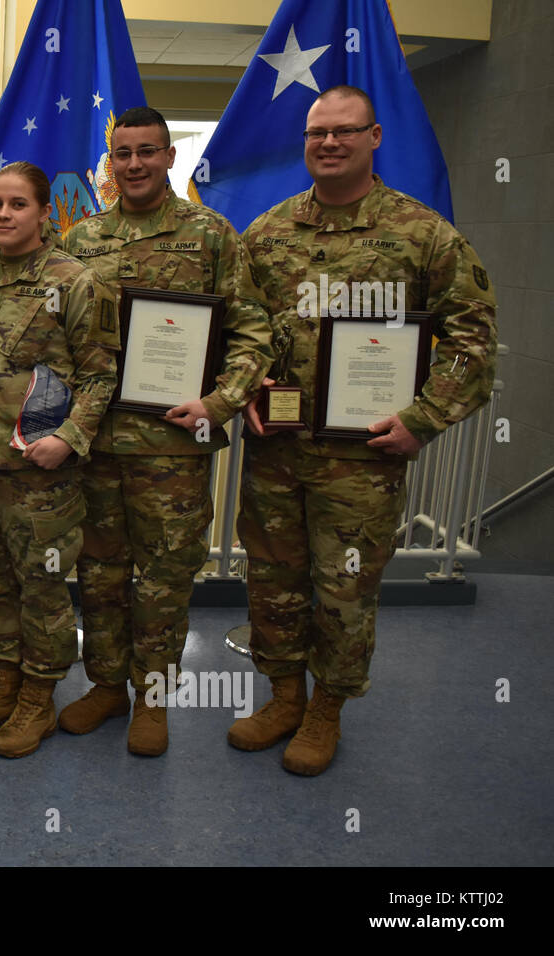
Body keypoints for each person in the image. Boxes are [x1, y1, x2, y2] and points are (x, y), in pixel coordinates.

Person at [232, 85, 496, 775]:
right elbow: (243, 329)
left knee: (345, 590)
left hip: (364, 459)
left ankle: (327, 710)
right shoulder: (268, 232)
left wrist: (423, 418)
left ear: (374, 137)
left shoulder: (423, 235)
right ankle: (284, 696)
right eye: (318, 133)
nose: (328, 144)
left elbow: (472, 336)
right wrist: (247, 385)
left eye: (344, 132)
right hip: (277, 452)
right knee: (273, 580)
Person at [62, 106, 275, 756]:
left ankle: (151, 698)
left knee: (162, 578)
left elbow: (252, 330)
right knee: (98, 575)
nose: (134, 164)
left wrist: (221, 400)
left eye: (147, 152)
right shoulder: (81, 241)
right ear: (110, 161)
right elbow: (56, 338)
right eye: (122, 153)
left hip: (173, 451)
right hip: (96, 447)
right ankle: (105, 687)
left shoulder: (211, 236)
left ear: (169, 157)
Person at [0, 162, 117, 757]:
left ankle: (38, 699)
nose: (4, 215)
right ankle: (3, 685)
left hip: (41, 472)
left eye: (18, 205)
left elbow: (100, 374)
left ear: (44, 212)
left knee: (40, 586)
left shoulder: (75, 280)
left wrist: (68, 437)